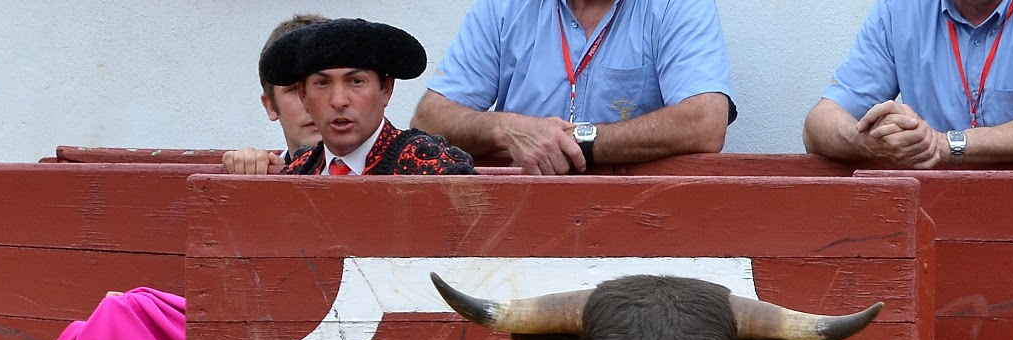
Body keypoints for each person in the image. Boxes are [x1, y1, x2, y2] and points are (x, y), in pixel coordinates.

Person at [410, 0, 736, 175]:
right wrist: (508, 129)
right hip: (517, 214)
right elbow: (429, 120)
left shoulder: (677, 5)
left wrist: (571, 141)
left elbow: (705, 123)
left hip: (638, 214)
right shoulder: (501, 7)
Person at [802, 0, 1013, 168]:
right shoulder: (898, 10)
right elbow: (818, 124)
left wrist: (946, 145)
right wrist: (873, 144)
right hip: (930, 212)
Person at [259, 17, 477, 175]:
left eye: (356, 82)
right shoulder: (300, 170)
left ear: (386, 90)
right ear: (303, 94)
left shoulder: (431, 168)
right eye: (322, 83)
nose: (339, 101)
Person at [223, 12, 329, 176]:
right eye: (294, 90)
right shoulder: (260, 171)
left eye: (322, 84)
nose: (310, 104)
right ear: (270, 105)